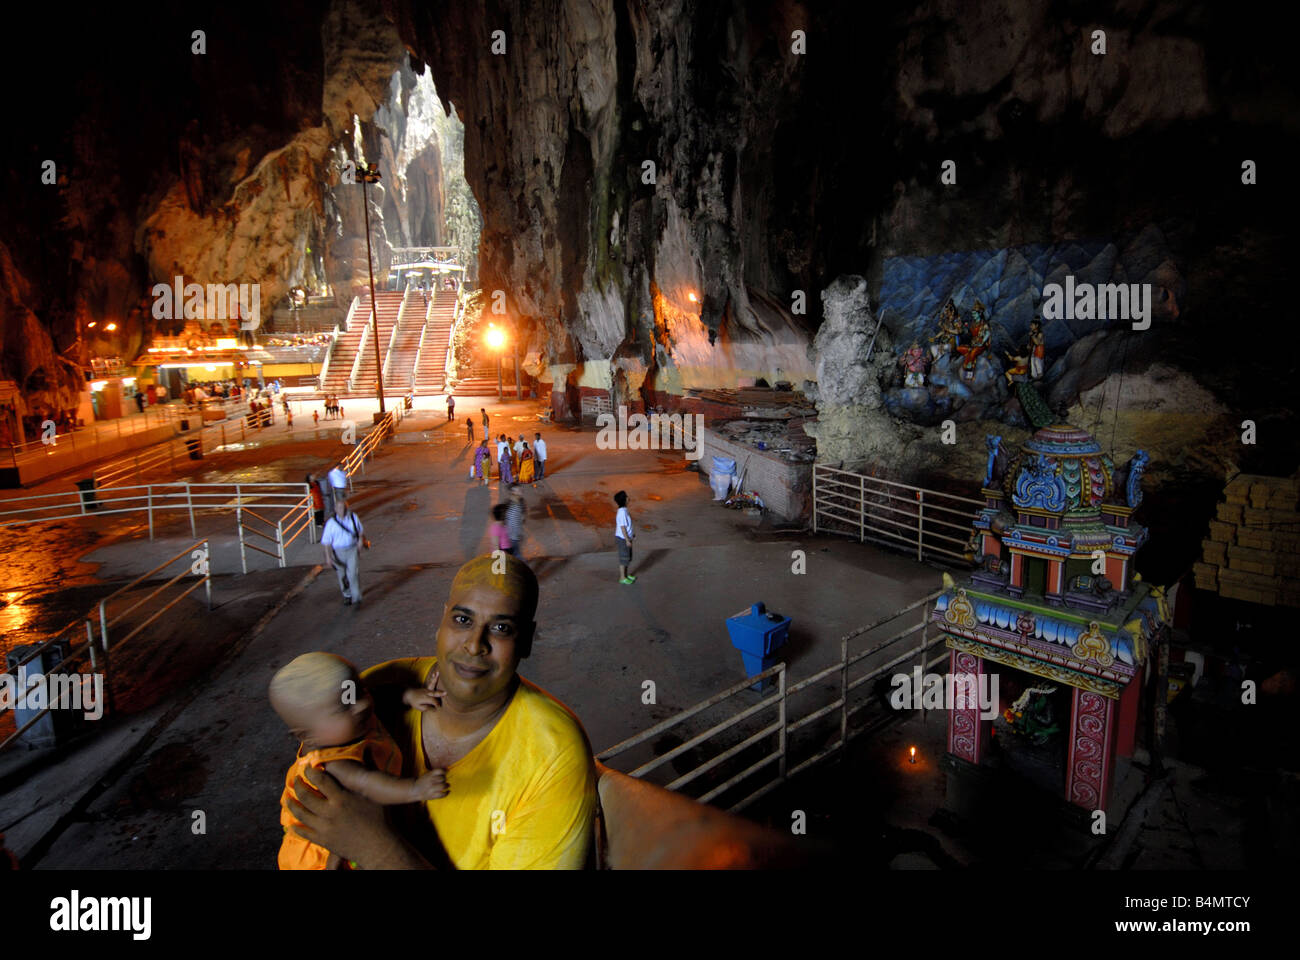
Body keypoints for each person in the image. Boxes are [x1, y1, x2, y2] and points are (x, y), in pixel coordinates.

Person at [285, 555, 597, 869]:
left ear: (526, 640)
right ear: (442, 621)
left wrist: (378, 851)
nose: (475, 645)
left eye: (501, 628)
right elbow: (311, 794)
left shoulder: (553, 752)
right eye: (463, 620)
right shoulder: (376, 688)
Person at [271, 652, 448, 869]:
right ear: (307, 736)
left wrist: (408, 696)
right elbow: (368, 783)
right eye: (344, 705)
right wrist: (415, 789)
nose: (362, 704)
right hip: (323, 849)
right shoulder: (332, 764)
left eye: (359, 690)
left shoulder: (352, 716)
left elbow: (381, 694)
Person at [321, 496, 368, 606]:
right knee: (342, 575)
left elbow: (360, 531)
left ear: (347, 508)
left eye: (343, 508)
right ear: (336, 509)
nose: (342, 510)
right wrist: (328, 557)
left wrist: (360, 541)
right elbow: (326, 542)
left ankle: (356, 596)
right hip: (338, 553)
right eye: (339, 508)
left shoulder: (353, 517)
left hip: (352, 550)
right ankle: (347, 594)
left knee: (353, 573)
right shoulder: (331, 523)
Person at [614, 490, 635, 584]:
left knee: (627, 557)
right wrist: (627, 540)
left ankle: (626, 575)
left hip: (626, 538)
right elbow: (622, 527)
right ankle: (622, 578)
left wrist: (631, 535)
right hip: (623, 539)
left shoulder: (624, 510)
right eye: (626, 496)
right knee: (624, 558)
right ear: (624, 500)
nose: (628, 497)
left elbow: (627, 526)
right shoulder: (622, 512)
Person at [506, 488, 525, 557]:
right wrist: (516, 535)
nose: (521, 491)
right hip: (513, 537)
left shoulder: (519, 503)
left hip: (514, 536)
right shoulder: (513, 507)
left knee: (516, 554)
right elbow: (512, 524)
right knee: (517, 555)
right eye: (518, 490)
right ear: (513, 493)